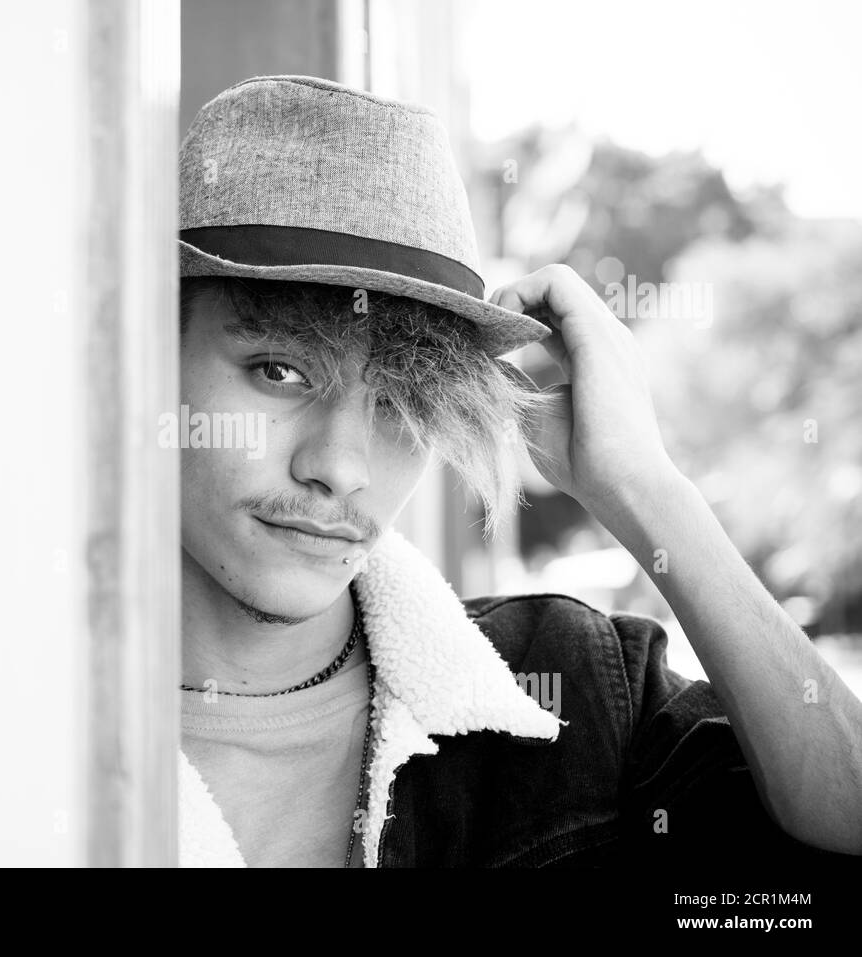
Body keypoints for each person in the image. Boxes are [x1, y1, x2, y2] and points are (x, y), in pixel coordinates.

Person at [175, 74, 862, 868]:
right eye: (278, 371)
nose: (339, 468)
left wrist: (644, 488)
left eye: (403, 401)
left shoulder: (569, 695)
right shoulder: (23, 721)